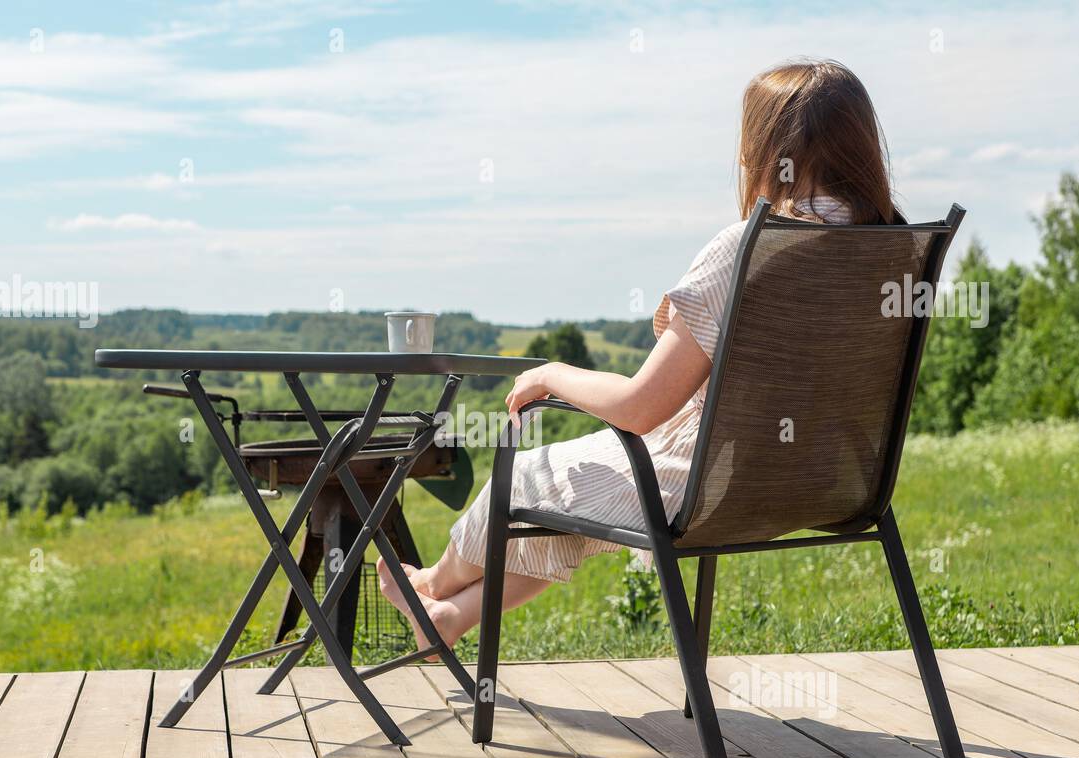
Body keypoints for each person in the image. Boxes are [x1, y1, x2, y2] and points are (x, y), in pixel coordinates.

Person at [378, 59, 900, 654]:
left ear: (764, 151)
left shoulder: (750, 250)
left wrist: (552, 373)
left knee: (531, 474)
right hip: (831, 484)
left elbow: (639, 408)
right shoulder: (889, 252)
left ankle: (432, 586)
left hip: (712, 486)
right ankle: (448, 616)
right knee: (575, 486)